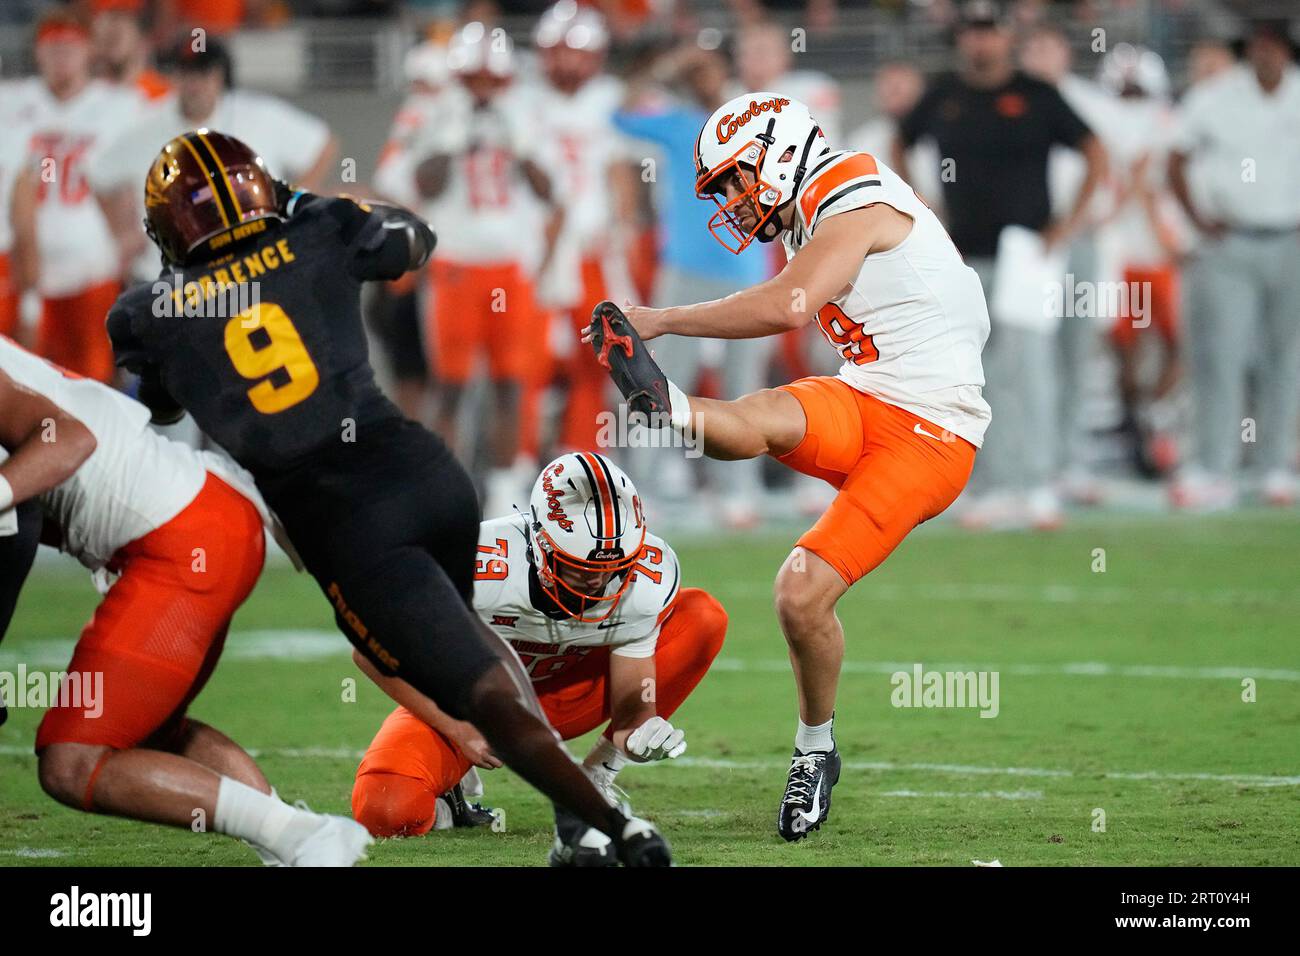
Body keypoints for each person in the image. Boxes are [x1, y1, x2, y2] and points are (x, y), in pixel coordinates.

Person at [106, 129, 670, 865]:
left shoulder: (145, 311)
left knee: (465, 685)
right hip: (427, 473)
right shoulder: (316, 226)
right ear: (265, 190)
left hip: (341, 519)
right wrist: (301, 206)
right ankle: (587, 811)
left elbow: (160, 408)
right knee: (477, 649)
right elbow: (416, 238)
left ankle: (607, 827)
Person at [585, 91, 990, 841]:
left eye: (736, 180)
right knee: (767, 413)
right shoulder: (811, 208)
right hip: (871, 394)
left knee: (800, 596)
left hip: (933, 433)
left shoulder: (852, 186)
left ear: (778, 151)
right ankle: (666, 407)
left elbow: (790, 304)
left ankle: (815, 748)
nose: (733, 201)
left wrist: (666, 319)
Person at [0, 336, 370, 865]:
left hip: (182, 537)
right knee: (153, 728)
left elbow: (68, 442)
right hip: (210, 517)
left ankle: (306, 837)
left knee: (72, 762)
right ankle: (294, 844)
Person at [353, 453, 727, 865]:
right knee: (386, 809)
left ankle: (595, 780)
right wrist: (458, 728)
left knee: (701, 618)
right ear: (540, 540)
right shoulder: (473, 563)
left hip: (569, 694)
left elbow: (631, 700)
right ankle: (451, 798)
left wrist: (636, 735)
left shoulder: (645, 581)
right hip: (474, 702)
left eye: (615, 567)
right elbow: (369, 649)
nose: (599, 581)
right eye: (578, 567)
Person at [893, 0, 1106, 530]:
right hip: (961, 253)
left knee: (1031, 370)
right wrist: (924, 208)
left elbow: (1096, 151)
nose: (980, 41)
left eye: (989, 31)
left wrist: (1066, 226)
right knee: (970, 376)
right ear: (961, 38)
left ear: (1006, 37)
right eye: (972, 31)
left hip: (1026, 252)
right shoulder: (942, 94)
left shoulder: (1037, 94)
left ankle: (1036, 482)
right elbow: (897, 145)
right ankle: (983, 485)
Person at [402, 22, 562, 517]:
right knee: (449, 386)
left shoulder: (525, 113)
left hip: (510, 268)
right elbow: (424, 186)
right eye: (475, 78)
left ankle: (504, 488)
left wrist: (519, 146)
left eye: (491, 79)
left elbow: (546, 189)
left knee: (510, 383)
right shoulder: (434, 112)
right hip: (455, 267)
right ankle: (443, 485)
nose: (484, 88)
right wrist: (451, 140)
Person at [1168, 18, 1300, 509]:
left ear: (1287, 51)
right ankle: (1214, 467)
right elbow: (1175, 157)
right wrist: (1198, 220)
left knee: (1285, 358)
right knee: (1220, 357)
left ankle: (1274, 467)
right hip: (1230, 240)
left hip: (1290, 238)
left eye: (1276, 46)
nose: (1267, 54)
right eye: (1260, 46)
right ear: (1249, 50)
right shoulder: (1216, 96)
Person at [90, 36, 336, 286]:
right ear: (173, 77)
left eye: (203, 73)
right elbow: (98, 173)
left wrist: (293, 209)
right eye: (186, 74)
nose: (194, 84)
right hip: (170, 280)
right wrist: (121, 232)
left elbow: (323, 144)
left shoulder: (258, 115)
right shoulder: (146, 124)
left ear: (219, 76)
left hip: (251, 274)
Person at [5, 10, 146, 381]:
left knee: (94, 385)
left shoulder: (124, 104)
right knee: (22, 388)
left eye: (70, 47)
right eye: (52, 48)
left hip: (94, 270)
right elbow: (20, 191)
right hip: (20, 274)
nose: (61, 57)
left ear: (88, 51)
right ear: (37, 52)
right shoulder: (11, 100)